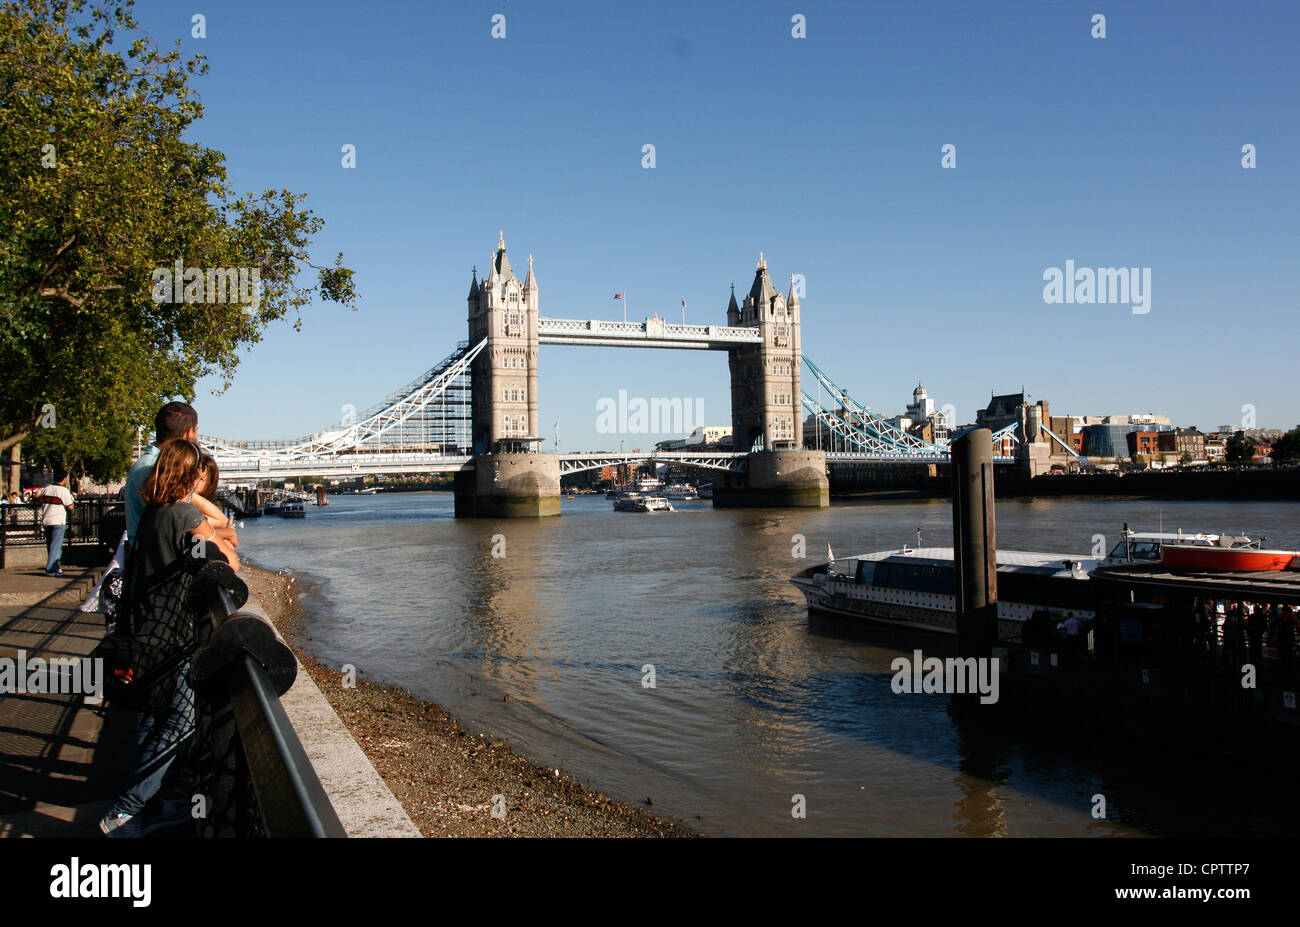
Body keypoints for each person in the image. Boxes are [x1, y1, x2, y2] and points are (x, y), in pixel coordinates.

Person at [99, 439, 238, 838]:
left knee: (152, 714)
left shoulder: (154, 513)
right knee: (182, 720)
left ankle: (152, 807)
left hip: (145, 625)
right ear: (187, 475)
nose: (200, 476)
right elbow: (229, 559)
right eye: (196, 471)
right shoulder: (181, 515)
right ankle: (126, 810)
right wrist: (214, 519)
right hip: (171, 630)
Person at [38, 471, 75, 576]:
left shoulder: (47, 488)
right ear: (64, 478)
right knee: (56, 546)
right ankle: (51, 569)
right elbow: (70, 506)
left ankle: (56, 567)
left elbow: (38, 498)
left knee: (50, 545)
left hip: (46, 519)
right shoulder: (63, 491)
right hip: (58, 520)